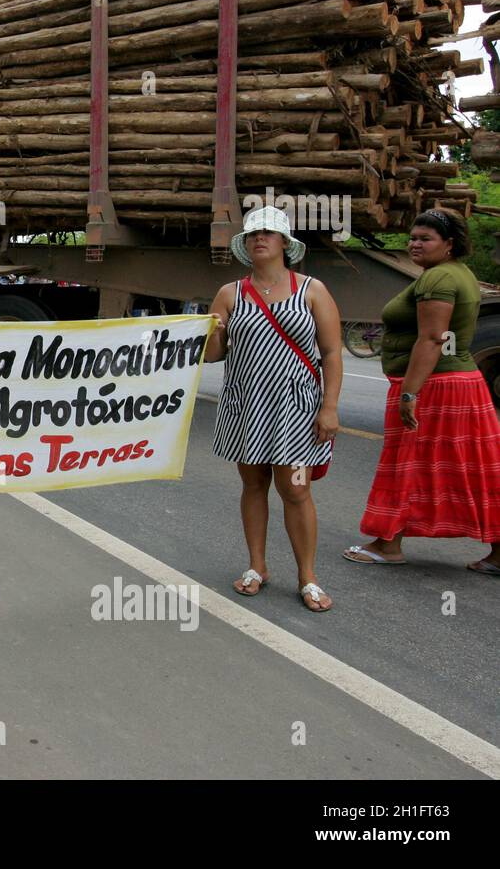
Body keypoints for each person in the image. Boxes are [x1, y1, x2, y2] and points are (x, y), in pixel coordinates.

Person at [342, 208, 500, 575]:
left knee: (405, 464)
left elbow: (432, 338)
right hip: (459, 385)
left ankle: (387, 543)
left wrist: (410, 393)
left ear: (448, 245)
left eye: (425, 238)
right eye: (412, 237)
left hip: (436, 388)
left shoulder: (439, 279)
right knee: (473, 467)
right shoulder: (456, 273)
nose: (415, 243)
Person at [204, 205, 343, 612]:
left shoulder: (312, 289)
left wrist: (330, 407)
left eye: (267, 232)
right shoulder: (231, 293)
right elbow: (213, 355)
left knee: (296, 489)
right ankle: (256, 566)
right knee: (253, 484)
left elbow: (333, 353)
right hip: (246, 406)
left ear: (285, 242)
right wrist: (214, 330)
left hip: (297, 409)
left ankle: (308, 576)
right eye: (252, 234)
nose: (259, 238)